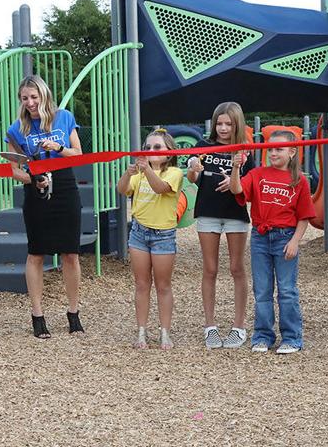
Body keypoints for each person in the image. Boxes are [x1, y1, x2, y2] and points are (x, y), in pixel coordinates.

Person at [6, 75, 85, 339]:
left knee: (70, 253)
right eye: (25, 98)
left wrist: (58, 147)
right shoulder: (16, 129)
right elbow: (13, 170)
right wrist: (33, 179)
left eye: (34, 97)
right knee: (36, 253)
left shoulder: (64, 117)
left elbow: (78, 154)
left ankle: (73, 312)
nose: (30, 102)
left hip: (65, 185)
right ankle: (37, 316)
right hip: (36, 186)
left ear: (44, 95)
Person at [229, 130, 315, 354]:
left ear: (292, 152)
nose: (273, 153)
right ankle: (263, 335)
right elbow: (237, 189)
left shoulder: (299, 180)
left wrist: (295, 241)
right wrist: (236, 168)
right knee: (262, 290)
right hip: (260, 236)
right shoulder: (258, 173)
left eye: (279, 149)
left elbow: (304, 216)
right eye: (270, 148)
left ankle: (292, 337)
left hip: (285, 237)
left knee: (287, 290)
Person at [186, 101, 252, 349]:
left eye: (229, 124)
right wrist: (193, 168)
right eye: (219, 123)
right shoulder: (203, 146)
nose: (223, 128)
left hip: (235, 213)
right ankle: (210, 326)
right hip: (208, 212)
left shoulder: (245, 150)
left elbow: (248, 184)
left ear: (237, 124)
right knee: (210, 269)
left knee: (237, 268)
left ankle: (239, 325)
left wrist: (234, 181)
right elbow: (192, 176)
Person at [117, 129, 184, 350]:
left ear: (169, 152)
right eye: (147, 147)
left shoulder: (174, 172)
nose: (150, 151)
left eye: (157, 147)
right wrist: (128, 174)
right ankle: (141, 332)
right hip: (139, 232)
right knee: (141, 284)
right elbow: (122, 190)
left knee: (163, 285)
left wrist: (145, 170)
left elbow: (160, 188)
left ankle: (165, 333)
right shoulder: (139, 173)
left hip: (163, 235)